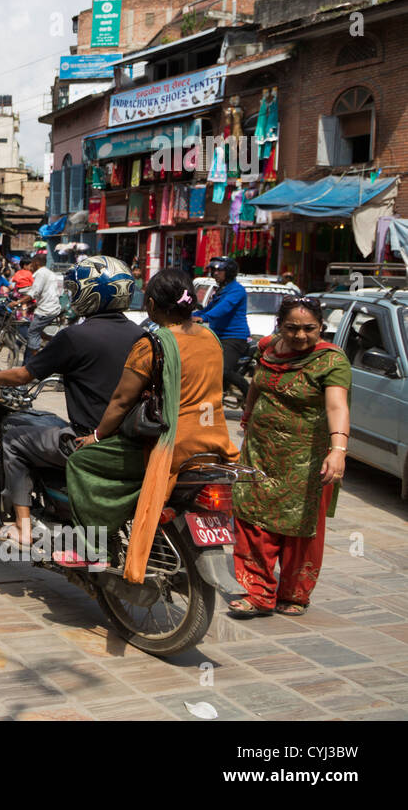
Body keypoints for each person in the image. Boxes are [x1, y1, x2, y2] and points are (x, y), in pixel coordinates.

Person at [68, 269, 238, 572]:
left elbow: (121, 400)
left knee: (82, 463)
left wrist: (95, 436)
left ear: (150, 305)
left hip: (172, 448)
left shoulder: (152, 345)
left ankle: (95, 548)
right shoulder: (211, 337)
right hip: (214, 442)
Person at [0, 255, 143, 548]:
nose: (71, 295)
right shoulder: (141, 335)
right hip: (129, 442)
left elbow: (24, 375)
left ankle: (23, 527)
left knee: (14, 437)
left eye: (75, 289)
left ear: (91, 293)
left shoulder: (75, 337)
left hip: (88, 441)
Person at [228, 296, 351, 617]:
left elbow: (337, 406)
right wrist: (248, 412)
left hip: (305, 460)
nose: (300, 335)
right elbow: (257, 382)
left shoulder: (331, 361)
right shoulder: (268, 348)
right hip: (260, 451)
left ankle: (294, 593)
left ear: (321, 327)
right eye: (292, 328)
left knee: (299, 525)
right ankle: (258, 593)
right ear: (279, 326)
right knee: (252, 517)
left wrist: (338, 450)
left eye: (309, 328)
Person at [193, 255, 250, 400]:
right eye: (213, 270)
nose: (215, 273)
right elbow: (208, 309)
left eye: (219, 270)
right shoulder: (221, 290)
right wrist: (187, 314)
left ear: (229, 272)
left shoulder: (237, 290)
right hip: (216, 336)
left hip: (233, 338)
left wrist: (203, 318)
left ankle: (250, 396)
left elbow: (224, 308)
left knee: (223, 370)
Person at [23, 253, 64, 357]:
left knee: (32, 332)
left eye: (32, 263)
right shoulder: (50, 273)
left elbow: (34, 292)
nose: (31, 265)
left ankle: (36, 360)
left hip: (46, 310)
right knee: (38, 331)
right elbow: (46, 293)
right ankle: (55, 341)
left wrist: (17, 302)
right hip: (52, 308)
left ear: (36, 263)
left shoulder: (41, 273)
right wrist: (33, 306)